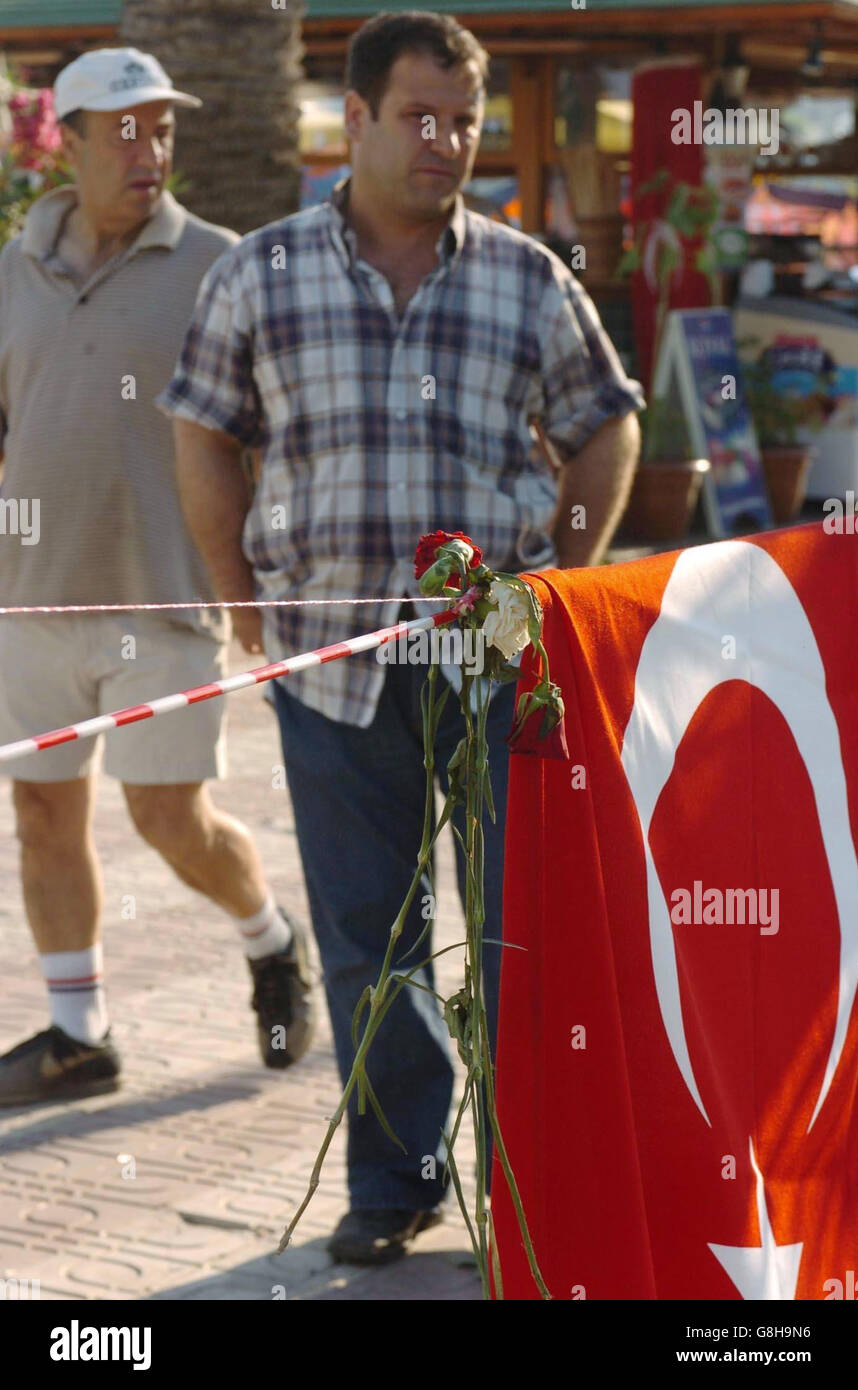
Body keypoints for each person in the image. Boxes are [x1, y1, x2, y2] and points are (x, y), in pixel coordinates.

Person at [160, 11, 643, 1264]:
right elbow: (202, 425)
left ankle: (529, 1191)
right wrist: (238, 591)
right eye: (421, 116)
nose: (447, 142)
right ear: (356, 117)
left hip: (494, 673)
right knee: (372, 943)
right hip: (330, 669)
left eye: (467, 121)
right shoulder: (257, 272)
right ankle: (397, 1182)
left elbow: (608, 421)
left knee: (519, 937)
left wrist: (565, 580)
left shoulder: (527, 276)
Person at [0, 48, 315, 1107]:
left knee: (167, 816)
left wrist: (262, 574)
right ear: (70, 142)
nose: (151, 151)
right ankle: (80, 1035)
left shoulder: (220, 264)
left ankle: (270, 941)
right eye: (124, 131)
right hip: (32, 597)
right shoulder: (13, 268)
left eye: (163, 129)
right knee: (42, 814)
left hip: (166, 598)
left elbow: (273, 428)